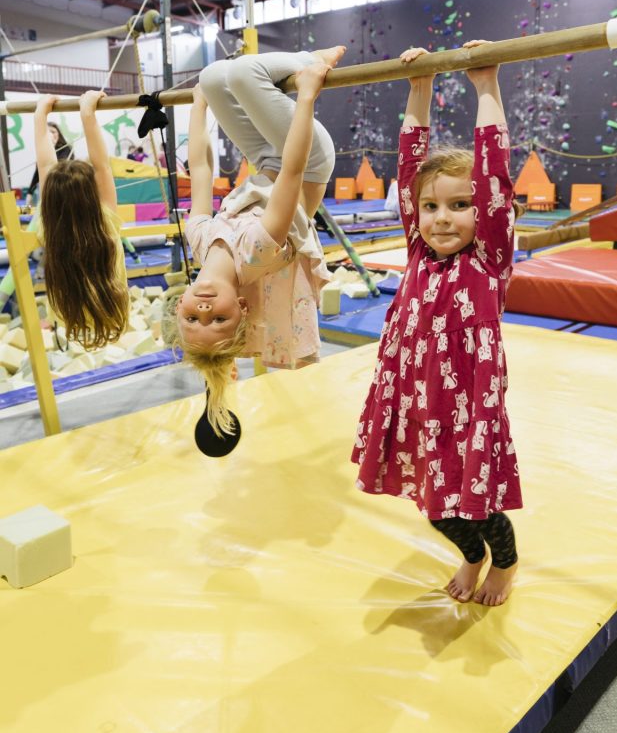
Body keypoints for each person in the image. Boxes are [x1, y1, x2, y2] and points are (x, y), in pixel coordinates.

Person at [351, 42, 523, 607]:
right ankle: (471, 554)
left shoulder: (488, 257)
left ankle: (505, 562)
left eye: (458, 206)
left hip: (468, 403)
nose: (441, 217)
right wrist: (418, 88)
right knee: (431, 500)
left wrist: (486, 87)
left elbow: (495, 177)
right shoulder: (418, 251)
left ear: (483, 213)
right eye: (431, 207)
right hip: (414, 397)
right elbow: (407, 171)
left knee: (474, 497)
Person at [174, 47, 345, 434]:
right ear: (240, 308)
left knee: (215, 76)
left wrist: (198, 106)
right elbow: (294, 169)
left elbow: (200, 169)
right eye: (217, 318)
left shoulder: (200, 242)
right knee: (243, 74)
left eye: (192, 317)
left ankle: (220, 84)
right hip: (307, 158)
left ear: (179, 307)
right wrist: (306, 93)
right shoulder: (257, 254)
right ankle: (308, 56)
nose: (203, 307)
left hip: (264, 154)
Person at [34, 90, 129, 349]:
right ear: (90, 194)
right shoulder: (105, 221)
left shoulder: (49, 228)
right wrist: (87, 113)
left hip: (71, 314)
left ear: (51, 201)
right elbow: (103, 167)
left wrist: (40, 114)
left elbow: (45, 166)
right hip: (109, 308)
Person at [25, 122, 72, 207]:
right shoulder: (43, 152)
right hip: (47, 187)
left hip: (64, 186)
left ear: (58, 134)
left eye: (53, 132)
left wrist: (51, 146)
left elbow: (59, 168)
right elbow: (37, 173)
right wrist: (29, 192)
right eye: (48, 132)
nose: (51, 135)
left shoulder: (66, 149)